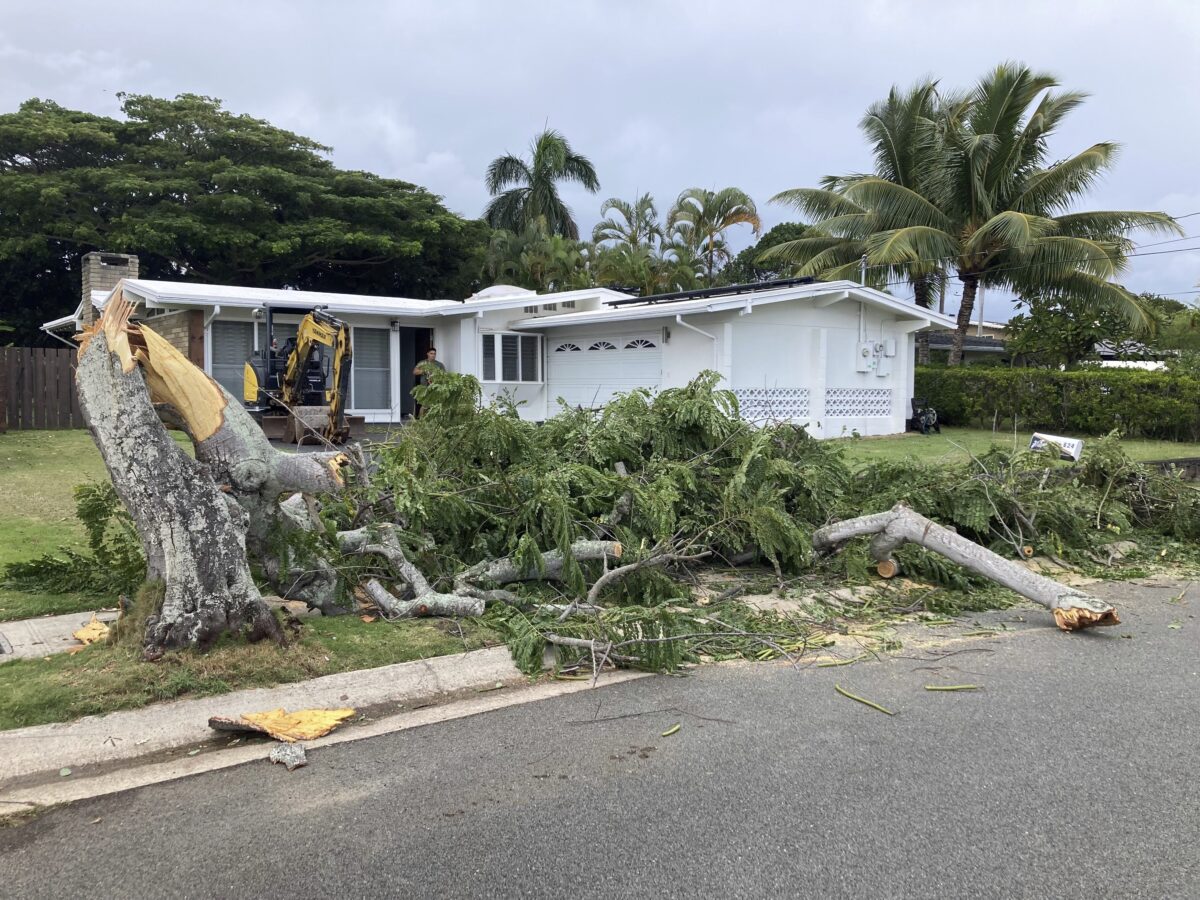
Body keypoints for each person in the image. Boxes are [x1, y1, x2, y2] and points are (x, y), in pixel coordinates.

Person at [412, 347, 446, 418]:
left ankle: (432, 421)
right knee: (424, 405)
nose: (433, 355)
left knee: (435, 405)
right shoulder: (422, 363)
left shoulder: (439, 364)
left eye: (434, 354)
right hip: (424, 388)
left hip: (435, 387)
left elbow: (444, 376)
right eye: (431, 353)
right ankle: (421, 421)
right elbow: (415, 372)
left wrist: (436, 376)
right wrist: (424, 371)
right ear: (427, 354)